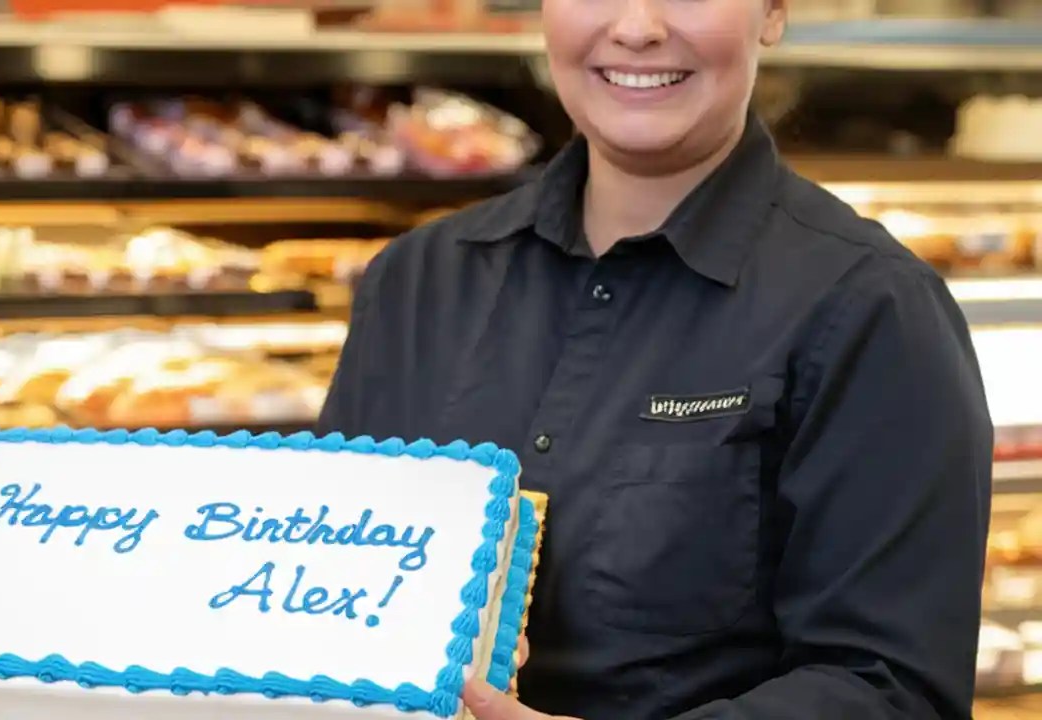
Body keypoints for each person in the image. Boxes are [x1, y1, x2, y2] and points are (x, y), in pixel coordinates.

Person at [316, 0, 994, 718]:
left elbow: (892, 688)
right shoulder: (417, 280)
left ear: (771, 11)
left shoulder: (872, 310)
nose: (636, 27)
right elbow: (320, 588)